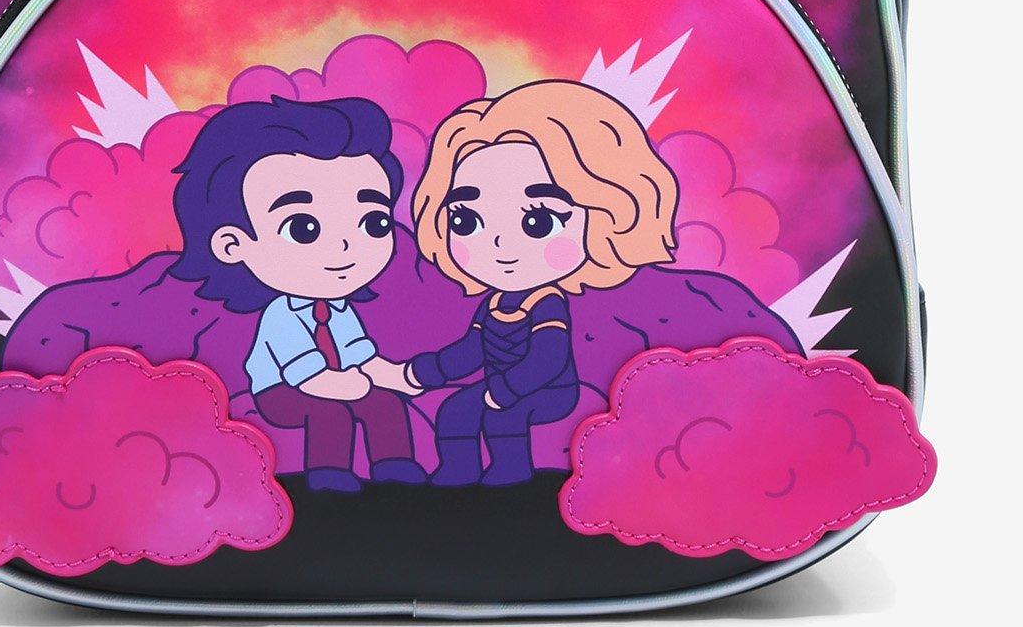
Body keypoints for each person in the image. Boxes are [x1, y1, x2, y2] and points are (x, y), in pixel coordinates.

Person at [407, 79, 679, 486]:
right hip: (501, 384)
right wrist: (420, 373)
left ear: (604, 218)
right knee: (454, 411)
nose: (500, 244)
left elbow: (547, 360)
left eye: (538, 221)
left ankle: (510, 472)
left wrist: (504, 391)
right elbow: (470, 350)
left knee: (503, 417)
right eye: (465, 220)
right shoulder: (493, 302)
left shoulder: (547, 303)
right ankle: (458, 471)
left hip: (549, 389)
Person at [172, 96, 423, 493]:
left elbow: (359, 353)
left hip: (337, 378)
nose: (346, 246)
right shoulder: (281, 314)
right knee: (331, 412)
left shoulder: (339, 308)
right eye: (304, 228)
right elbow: (304, 373)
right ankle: (327, 475)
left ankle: (395, 466)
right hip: (282, 390)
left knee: (386, 402)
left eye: (373, 223)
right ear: (232, 244)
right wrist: (347, 384)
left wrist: (395, 376)